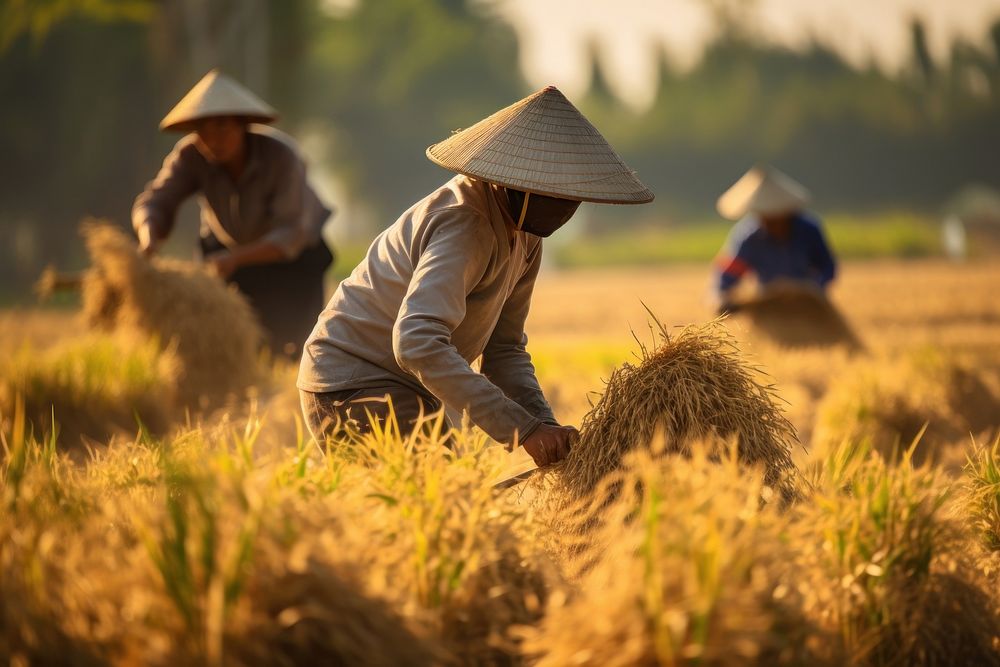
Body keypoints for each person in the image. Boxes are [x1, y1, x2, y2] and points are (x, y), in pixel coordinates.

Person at [297, 86, 653, 468]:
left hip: (404, 386)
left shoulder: (526, 236)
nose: (564, 205)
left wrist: (543, 426)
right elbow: (417, 342)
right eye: (554, 191)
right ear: (515, 181)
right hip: (354, 382)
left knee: (444, 502)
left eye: (571, 195)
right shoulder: (466, 224)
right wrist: (525, 430)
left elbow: (504, 351)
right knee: (436, 507)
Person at [132, 69, 334, 357]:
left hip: (292, 259)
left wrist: (236, 258)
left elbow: (291, 234)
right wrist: (148, 239)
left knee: (291, 344)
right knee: (228, 343)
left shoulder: (281, 156)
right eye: (203, 131)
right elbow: (154, 202)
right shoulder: (190, 156)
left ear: (242, 126)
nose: (212, 140)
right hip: (228, 255)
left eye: (222, 128)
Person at [713, 165, 836, 314]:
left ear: (787, 211)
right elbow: (730, 273)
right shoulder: (749, 236)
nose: (771, 223)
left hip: (807, 304)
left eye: (776, 218)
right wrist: (722, 297)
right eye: (766, 218)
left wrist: (812, 287)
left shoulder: (809, 231)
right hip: (768, 305)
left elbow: (828, 266)